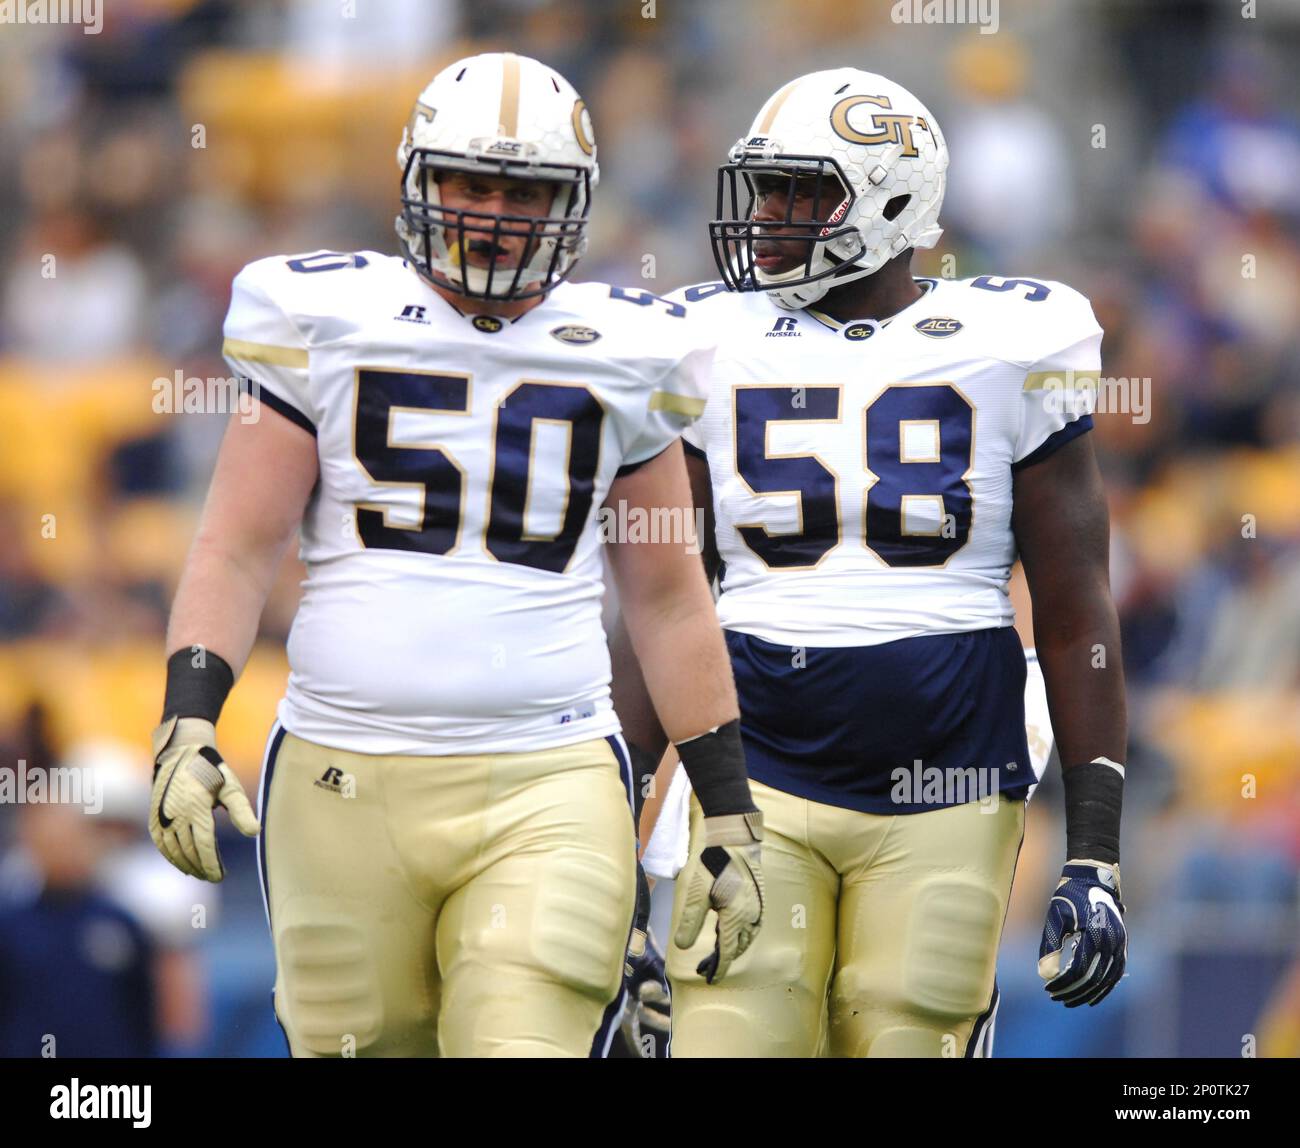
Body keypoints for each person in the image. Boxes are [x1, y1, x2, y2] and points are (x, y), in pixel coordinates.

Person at [146, 52, 763, 1058]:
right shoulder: (323, 317)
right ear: (416, 182)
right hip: (341, 775)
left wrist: (724, 804)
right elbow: (236, 545)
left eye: (525, 190)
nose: (494, 211)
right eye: (470, 181)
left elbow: (668, 599)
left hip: (548, 769)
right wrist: (187, 712)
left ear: (573, 203)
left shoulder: (630, 345)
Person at [616, 68, 1129, 1057]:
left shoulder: (1013, 338)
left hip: (949, 774)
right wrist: (613, 843)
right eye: (764, 188)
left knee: (911, 1031)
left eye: (804, 191)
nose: (767, 215)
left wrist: (1095, 851)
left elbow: (1074, 606)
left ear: (893, 201)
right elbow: (658, 599)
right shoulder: (702, 341)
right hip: (749, 771)